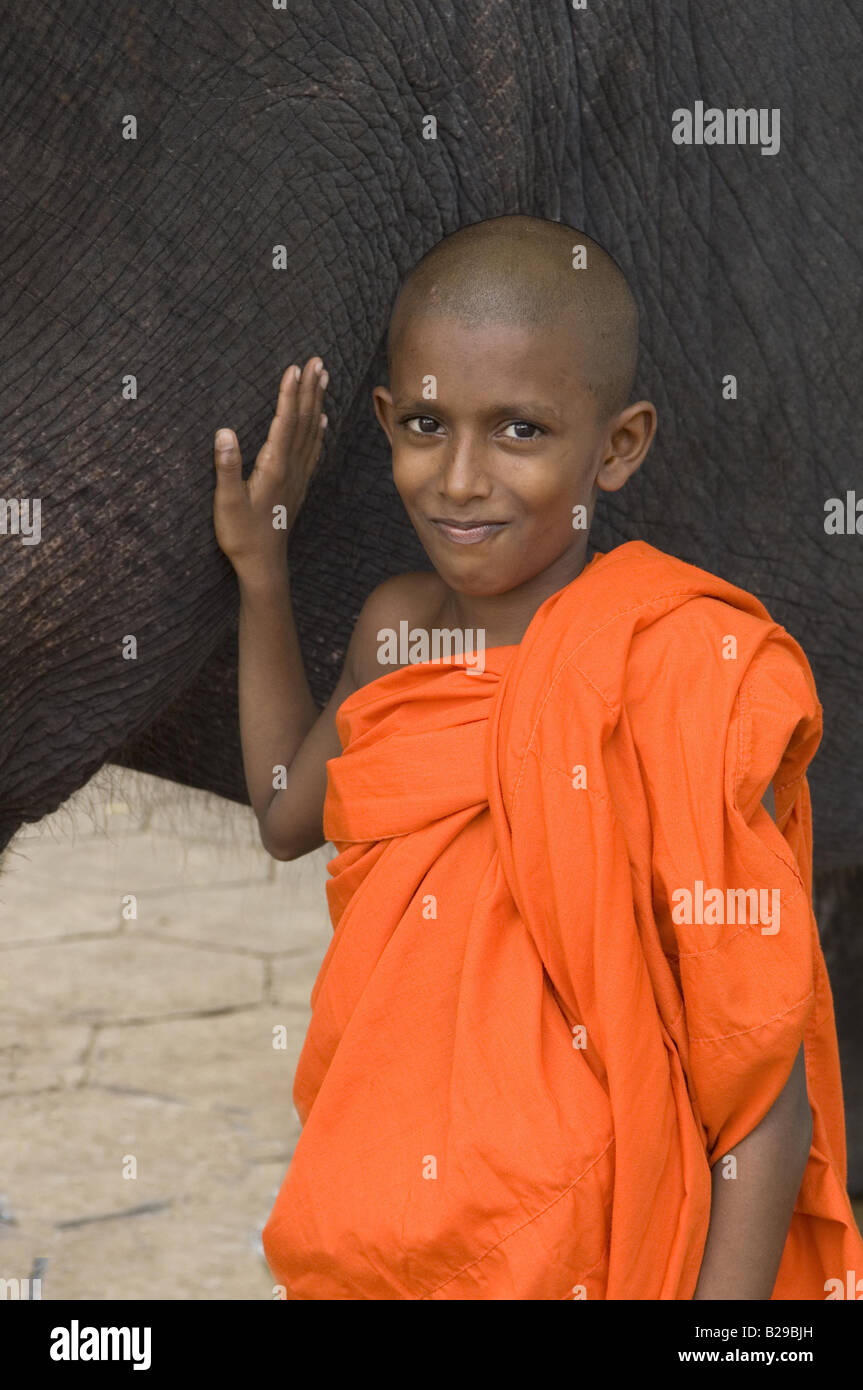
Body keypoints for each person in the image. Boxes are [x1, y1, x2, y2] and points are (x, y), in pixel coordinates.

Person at [212, 214, 863, 1299]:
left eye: (518, 431)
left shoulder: (672, 665)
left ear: (617, 446)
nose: (459, 478)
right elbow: (287, 812)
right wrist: (261, 570)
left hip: (602, 1251)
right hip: (385, 1232)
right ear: (381, 422)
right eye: (425, 423)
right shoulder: (394, 629)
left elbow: (761, 1077)